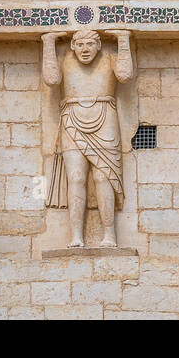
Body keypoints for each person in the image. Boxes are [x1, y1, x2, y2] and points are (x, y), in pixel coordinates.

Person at [43, 28, 133, 248]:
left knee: (104, 178)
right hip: (72, 118)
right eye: (80, 44)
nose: (85, 49)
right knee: (75, 177)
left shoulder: (110, 58)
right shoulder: (64, 59)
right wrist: (49, 42)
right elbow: (52, 79)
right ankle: (76, 236)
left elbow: (124, 75)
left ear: (99, 45)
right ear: (73, 46)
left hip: (105, 117)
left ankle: (110, 235)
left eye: (90, 44)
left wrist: (123, 39)